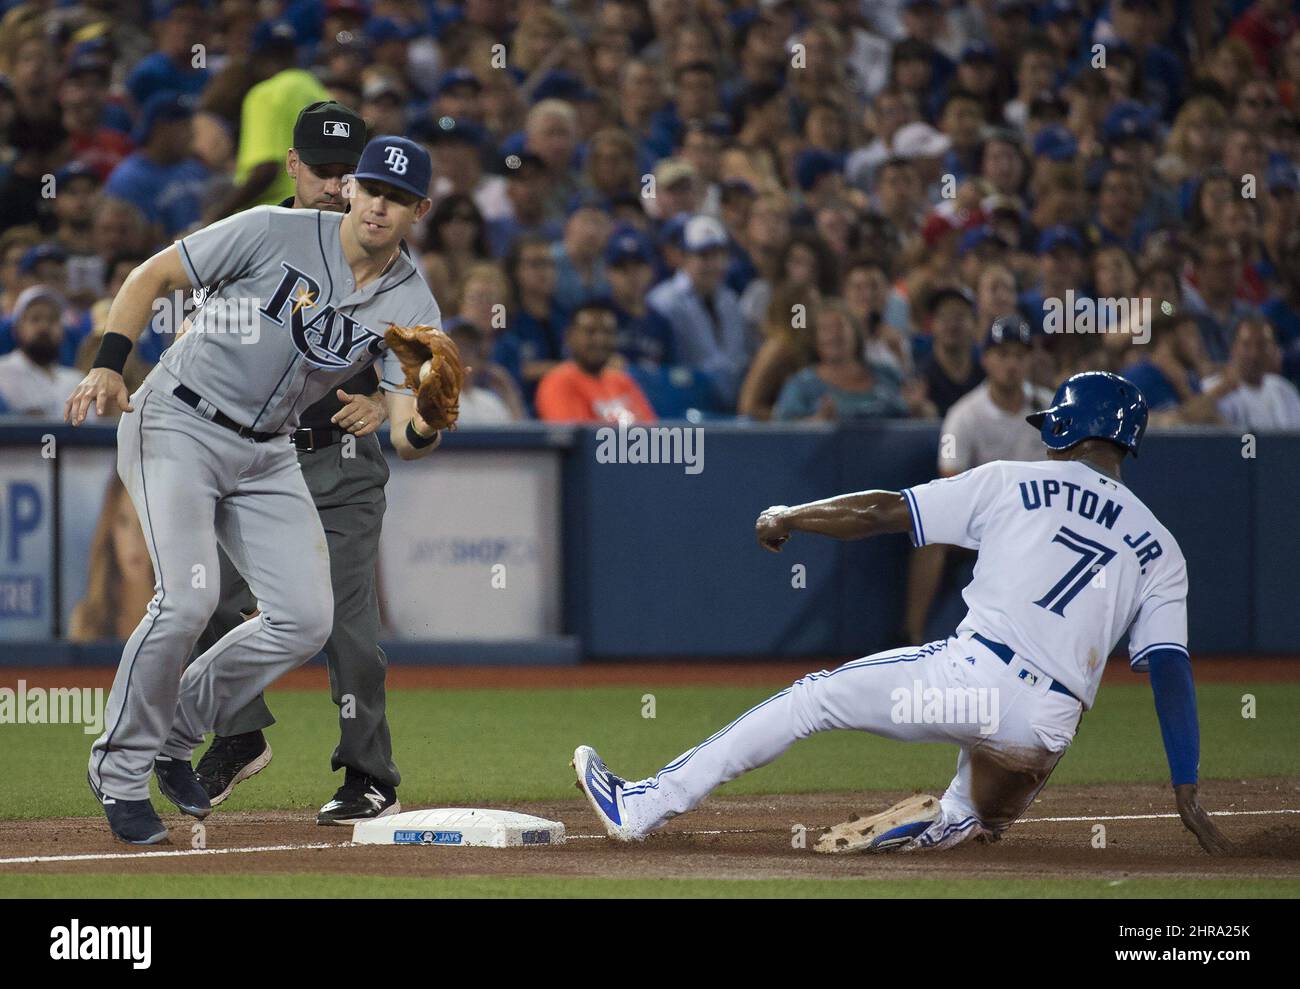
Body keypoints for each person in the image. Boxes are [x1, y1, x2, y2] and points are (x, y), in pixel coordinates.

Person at [574, 372, 1232, 859]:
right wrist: (1187, 790)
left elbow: (882, 510)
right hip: (1050, 725)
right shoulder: (1160, 545)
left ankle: (642, 805)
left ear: (1064, 427)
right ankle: (951, 819)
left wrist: (791, 516)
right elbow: (1169, 671)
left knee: (815, 698)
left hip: (969, 677)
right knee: (981, 819)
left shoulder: (1013, 480)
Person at [66, 135, 447, 846]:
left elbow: (404, 426)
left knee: (304, 618)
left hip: (267, 451)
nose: (378, 206)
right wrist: (111, 364)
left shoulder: (412, 300)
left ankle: (176, 728)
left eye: (397, 198)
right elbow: (151, 274)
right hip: (177, 419)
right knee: (186, 598)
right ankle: (118, 767)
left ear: (418, 210)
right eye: (370, 188)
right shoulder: (275, 229)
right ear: (352, 190)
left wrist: (425, 421)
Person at [189, 102, 422, 826]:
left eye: (348, 175)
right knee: (202, 593)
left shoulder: (391, 269)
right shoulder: (255, 237)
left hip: (340, 467)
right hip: (252, 461)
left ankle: (368, 772)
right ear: (292, 166)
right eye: (321, 171)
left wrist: (391, 406)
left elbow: (417, 395)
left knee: (346, 630)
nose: (335, 185)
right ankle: (240, 730)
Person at [647, 214, 752, 410]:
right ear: (684, 257)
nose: (715, 264)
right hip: (684, 405)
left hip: (732, 407)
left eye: (720, 255)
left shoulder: (730, 300)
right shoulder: (663, 302)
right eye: (704, 256)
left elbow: (739, 359)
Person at [772, 300, 912, 421]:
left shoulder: (888, 374)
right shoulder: (801, 385)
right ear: (814, 339)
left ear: (855, 332)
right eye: (826, 329)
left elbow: (920, 416)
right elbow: (784, 434)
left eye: (840, 326)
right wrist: (816, 423)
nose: (834, 335)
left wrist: (919, 408)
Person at [535, 300, 656, 424]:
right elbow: (577, 439)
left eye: (607, 332)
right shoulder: (558, 382)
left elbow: (652, 431)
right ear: (569, 337)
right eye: (590, 332)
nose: (600, 340)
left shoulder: (622, 381)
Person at [69, 475, 155, 642]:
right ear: (110, 530)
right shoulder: (87, 620)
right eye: (123, 521)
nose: (134, 539)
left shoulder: (179, 617)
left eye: (144, 521)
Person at [0, 286, 86, 417]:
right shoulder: (3, 371)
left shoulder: (77, 381)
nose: (44, 326)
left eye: (52, 320)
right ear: (17, 329)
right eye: (35, 319)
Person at [1202, 318, 1300, 430]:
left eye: (1262, 345)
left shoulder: (1284, 389)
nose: (1254, 354)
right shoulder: (1213, 388)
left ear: (1274, 350)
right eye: (1246, 345)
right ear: (1233, 348)